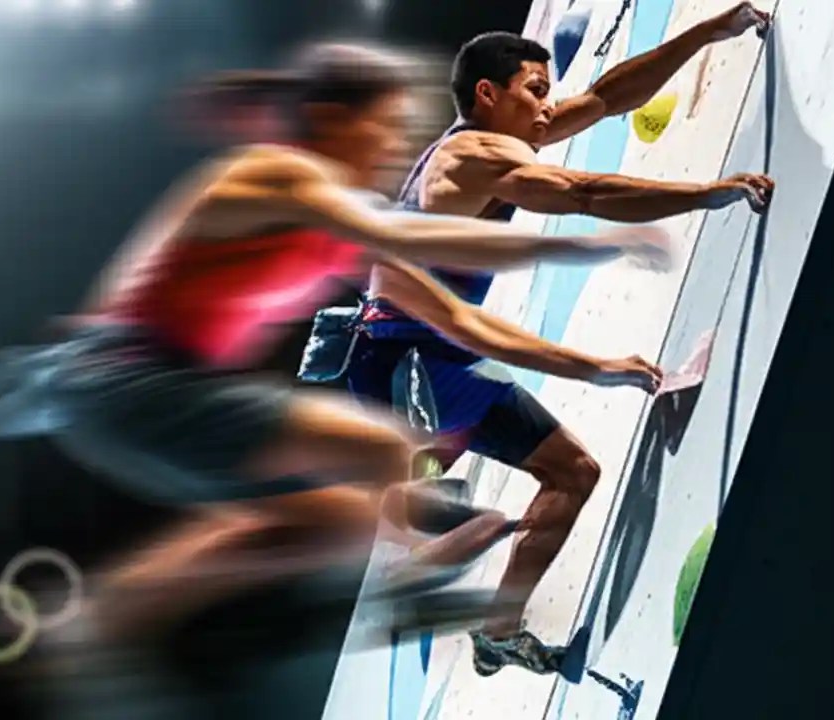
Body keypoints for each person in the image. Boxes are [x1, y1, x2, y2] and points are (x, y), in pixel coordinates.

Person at [0, 43, 675, 661]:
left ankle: (107, 616)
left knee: (316, 517)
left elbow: (433, 252)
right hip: (126, 378)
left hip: (120, 394)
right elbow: (424, 242)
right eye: (388, 124)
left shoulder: (339, 218)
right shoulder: (287, 175)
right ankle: (397, 585)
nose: (397, 145)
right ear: (337, 121)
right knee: (378, 461)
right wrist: (577, 243)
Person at [306, 2, 774, 677]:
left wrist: (706, 32)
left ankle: (496, 630)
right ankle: (395, 548)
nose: (549, 109)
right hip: (405, 361)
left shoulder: (492, 141)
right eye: (535, 92)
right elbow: (583, 191)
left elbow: (608, 98)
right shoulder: (475, 156)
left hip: (419, 354)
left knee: (571, 474)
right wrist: (705, 194)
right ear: (488, 95)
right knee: (434, 500)